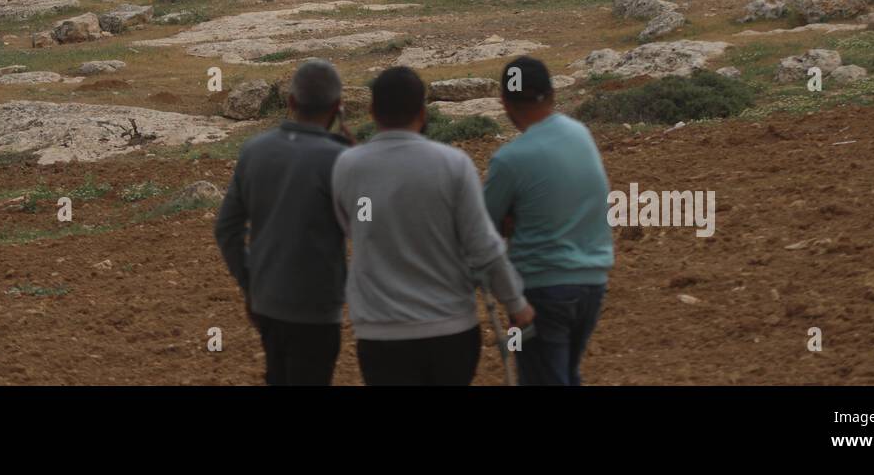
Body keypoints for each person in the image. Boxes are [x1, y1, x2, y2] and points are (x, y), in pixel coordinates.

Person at [332, 66, 533, 385]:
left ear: (371, 112)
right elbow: (483, 246)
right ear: (423, 113)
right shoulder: (453, 164)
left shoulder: (347, 166)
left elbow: (353, 229)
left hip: (380, 332)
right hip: (449, 330)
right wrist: (516, 304)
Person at [214, 59, 352, 385]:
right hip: (318, 307)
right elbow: (367, 224)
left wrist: (250, 283)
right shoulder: (341, 160)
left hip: (267, 301)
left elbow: (226, 228)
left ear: (290, 102)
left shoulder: (254, 150)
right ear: (337, 107)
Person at [484, 57, 613, 386]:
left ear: (504, 102)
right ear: (552, 93)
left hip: (539, 292)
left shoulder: (509, 160)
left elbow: (482, 227)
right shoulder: (581, 135)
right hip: (592, 284)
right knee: (564, 374)